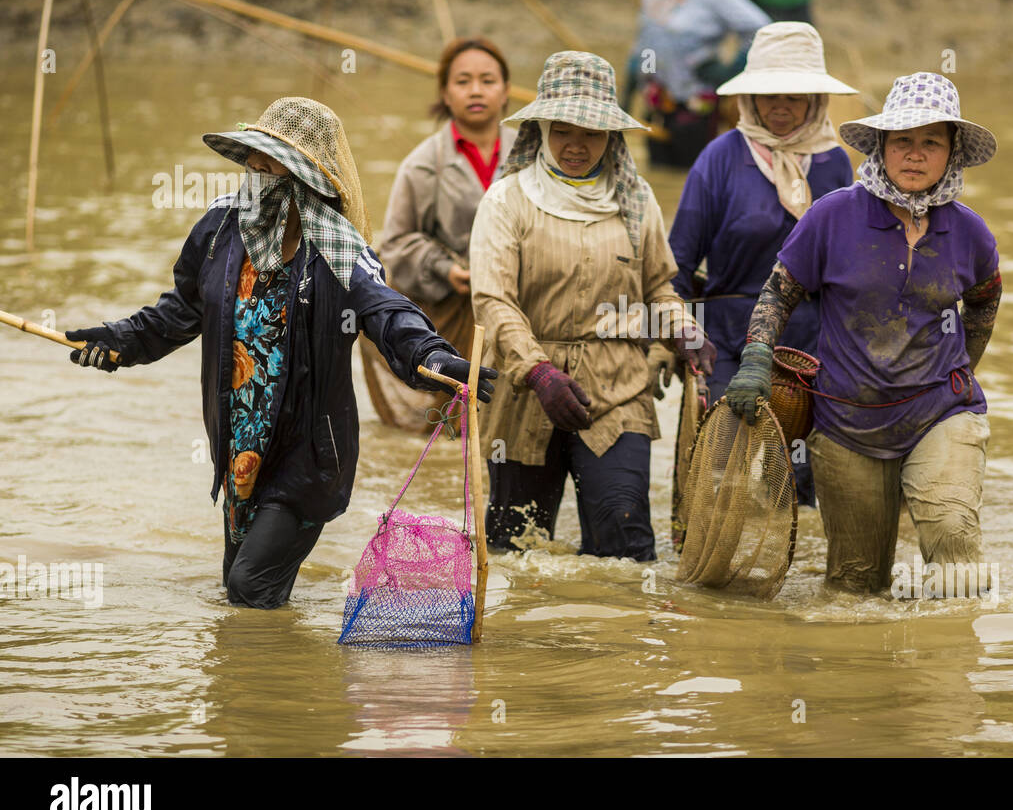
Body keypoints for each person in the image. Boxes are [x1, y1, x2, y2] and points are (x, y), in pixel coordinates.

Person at [65, 97, 497, 610]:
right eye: (254, 160)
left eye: (273, 164)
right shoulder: (220, 231)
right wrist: (118, 342)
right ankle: (275, 686)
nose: (258, 173)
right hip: (239, 447)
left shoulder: (339, 251)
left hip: (310, 456)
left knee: (249, 587)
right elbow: (179, 312)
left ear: (307, 178)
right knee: (239, 594)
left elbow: (388, 314)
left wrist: (435, 359)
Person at [725, 73, 1002, 597]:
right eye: (902, 140)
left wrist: (960, 370)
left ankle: (949, 669)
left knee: (952, 536)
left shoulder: (970, 232)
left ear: (952, 153)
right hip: (847, 421)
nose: (914, 155)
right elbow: (778, 293)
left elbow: (985, 301)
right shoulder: (832, 216)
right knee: (856, 585)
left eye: (930, 143)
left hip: (940, 411)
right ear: (881, 145)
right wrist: (756, 358)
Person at [469, 51, 716, 560]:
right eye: (563, 130)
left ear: (612, 136)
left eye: (592, 133)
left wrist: (685, 330)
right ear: (540, 130)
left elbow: (659, 291)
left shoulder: (636, 200)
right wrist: (538, 373)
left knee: (624, 542)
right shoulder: (506, 201)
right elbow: (494, 301)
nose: (576, 145)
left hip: (618, 384)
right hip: (524, 395)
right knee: (518, 548)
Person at [657, 21, 856, 506]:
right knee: (719, 470)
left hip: (810, 341)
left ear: (815, 99)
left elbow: (847, 268)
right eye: (769, 93)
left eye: (794, 94)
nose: (780, 106)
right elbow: (677, 263)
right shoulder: (720, 158)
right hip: (726, 336)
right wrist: (672, 334)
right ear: (749, 97)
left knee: (797, 481)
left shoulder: (834, 163)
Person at [366, 37, 517, 432]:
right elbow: (395, 245)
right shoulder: (421, 166)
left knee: (515, 416)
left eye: (488, 80)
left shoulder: (530, 157)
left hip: (519, 303)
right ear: (445, 94)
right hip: (453, 309)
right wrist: (446, 269)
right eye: (463, 81)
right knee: (454, 422)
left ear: (506, 91)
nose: (476, 90)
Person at [632, 0, 770, 168]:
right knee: (658, 168)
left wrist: (733, 70)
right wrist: (631, 80)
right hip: (657, 96)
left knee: (694, 171)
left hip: (695, 102)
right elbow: (648, 31)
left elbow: (761, 29)